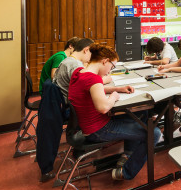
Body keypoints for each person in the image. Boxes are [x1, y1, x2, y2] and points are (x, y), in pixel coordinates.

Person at [68, 44, 161, 181]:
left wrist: (119, 88)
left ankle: (127, 155)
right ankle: (125, 172)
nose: (109, 72)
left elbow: (94, 90)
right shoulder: (93, 79)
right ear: (105, 61)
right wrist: (114, 96)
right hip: (99, 130)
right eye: (111, 67)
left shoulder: (79, 72)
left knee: (141, 115)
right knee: (154, 133)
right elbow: (104, 108)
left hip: (88, 126)